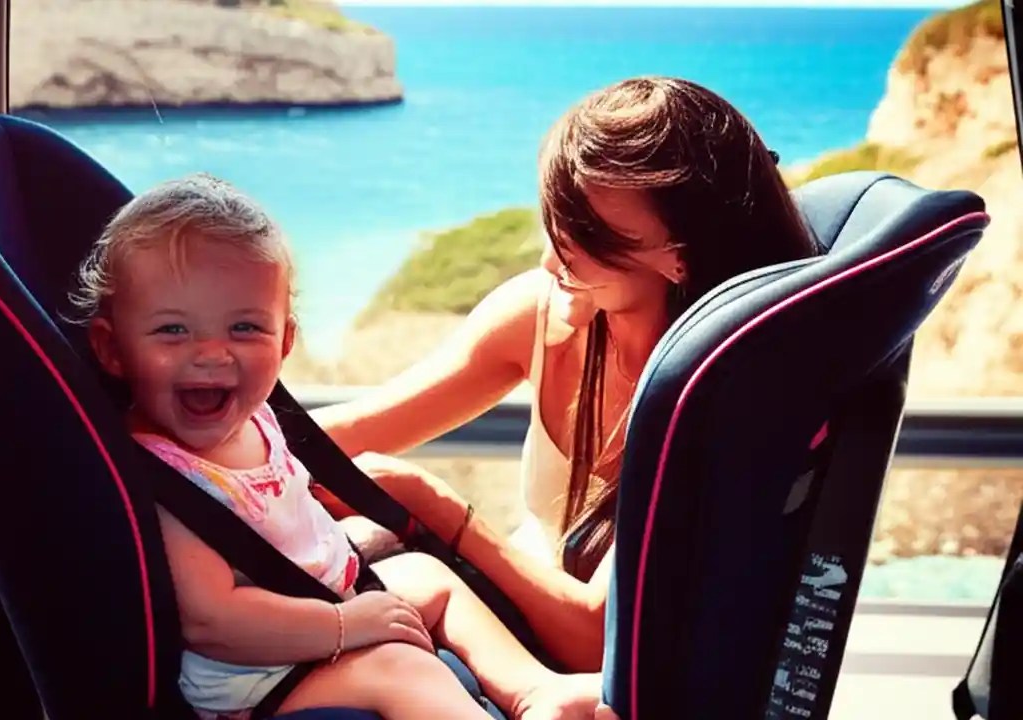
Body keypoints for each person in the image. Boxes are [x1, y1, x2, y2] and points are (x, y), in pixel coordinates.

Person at [309, 76, 823, 673]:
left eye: (581, 239)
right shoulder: (545, 314)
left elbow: (597, 641)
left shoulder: (717, 409)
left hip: (567, 677)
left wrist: (438, 509)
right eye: (554, 224)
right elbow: (345, 435)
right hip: (498, 628)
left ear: (680, 256)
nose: (550, 260)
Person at [70, 173, 611, 720]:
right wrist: (345, 626)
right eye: (172, 331)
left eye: (244, 328)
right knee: (400, 667)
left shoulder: (257, 418)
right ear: (112, 350)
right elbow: (214, 622)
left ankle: (533, 690)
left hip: (323, 607)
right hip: (258, 681)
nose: (212, 354)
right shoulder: (170, 480)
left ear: (285, 342)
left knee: (424, 575)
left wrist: (345, 562)